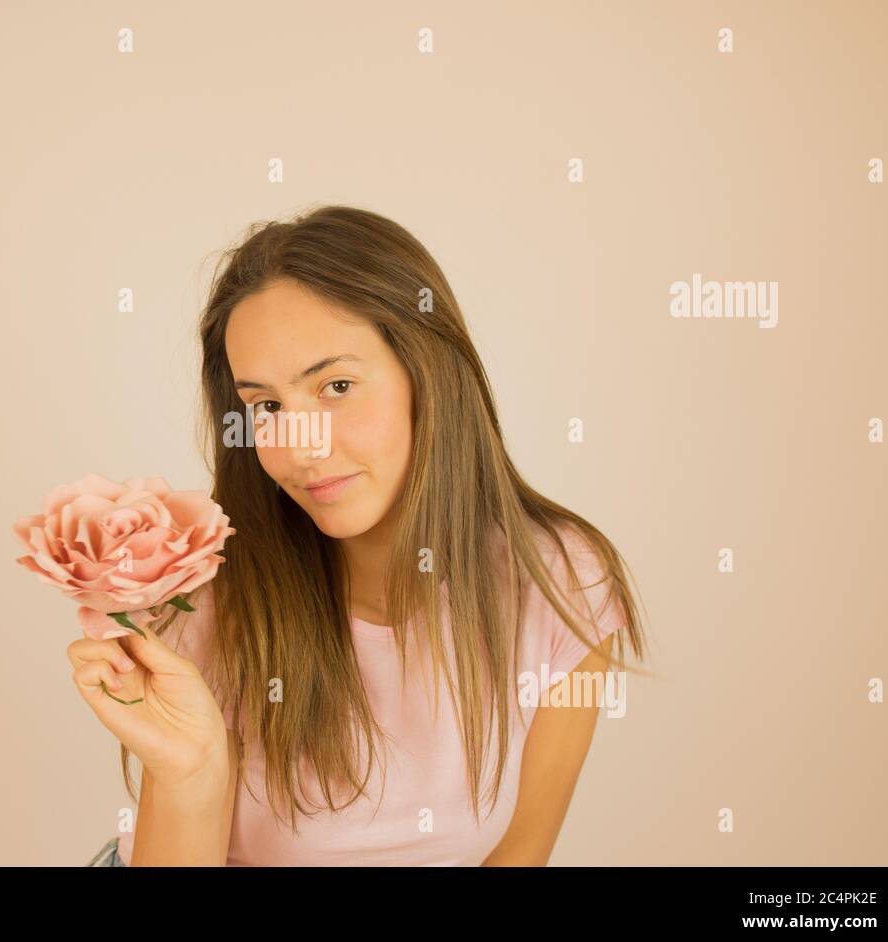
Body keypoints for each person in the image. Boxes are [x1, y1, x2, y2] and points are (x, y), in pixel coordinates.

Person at [69, 204, 649, 866]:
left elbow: (518, 857)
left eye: (336, 385)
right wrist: (189, 771)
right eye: (267, 406)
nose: (301, 448)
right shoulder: (209, 600)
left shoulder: (560, 582)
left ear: (427, 373)